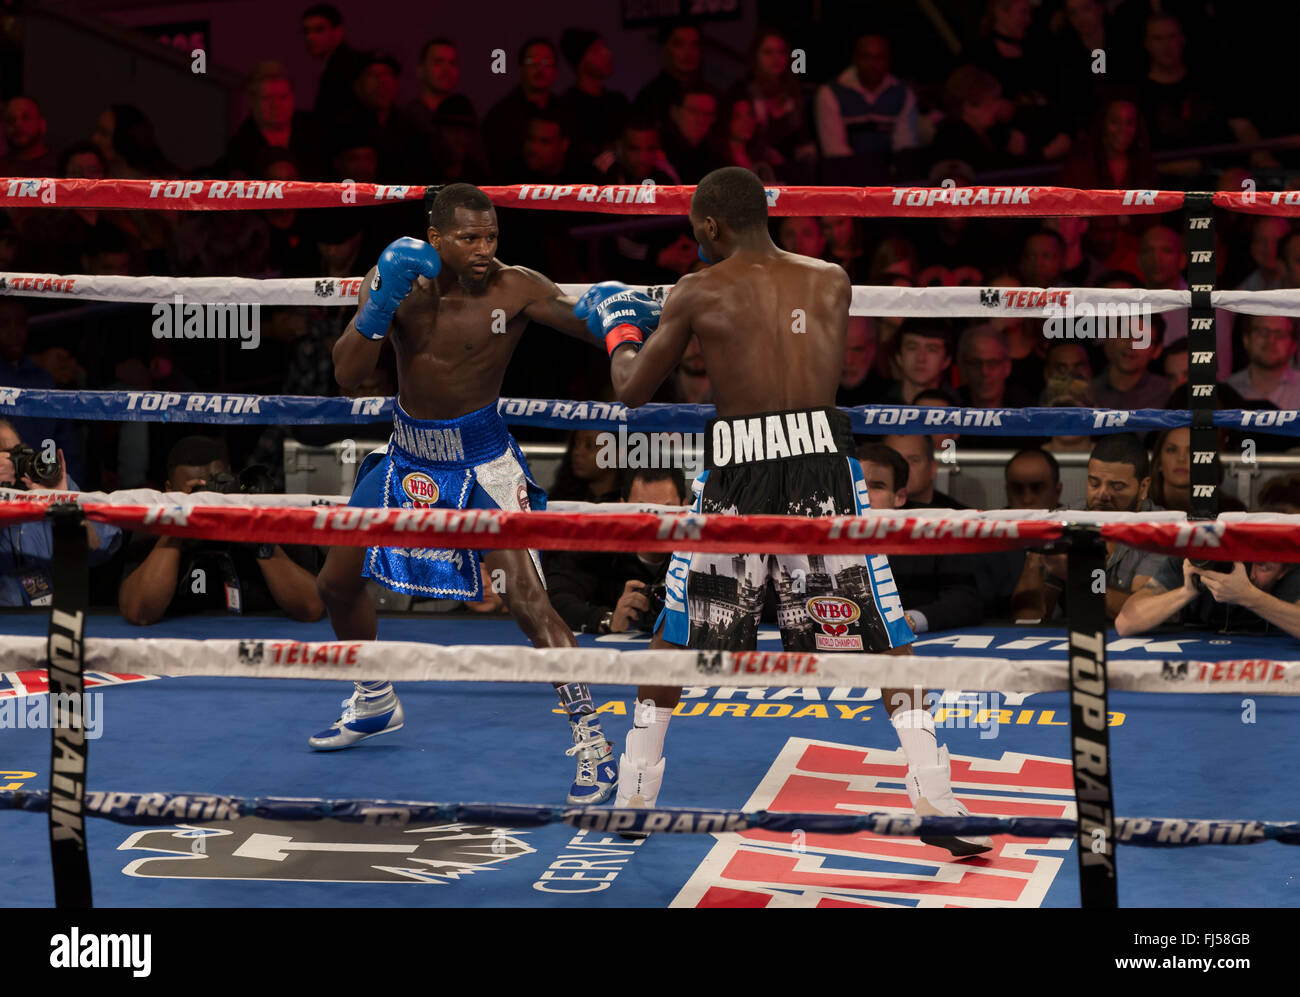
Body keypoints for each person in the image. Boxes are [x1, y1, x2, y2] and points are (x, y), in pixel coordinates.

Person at [582, 166, 990, 856]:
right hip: (825, 459)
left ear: (710, 224)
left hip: (739, 461)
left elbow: (630, 390)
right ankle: (932, 785)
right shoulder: (831, 277)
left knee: (679, 630)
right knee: (884, 631)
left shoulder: (696, 289)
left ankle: (635, 792)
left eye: (693, 230)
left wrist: (620, 326)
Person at [310, 183, 620, 806]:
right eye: (469, 238)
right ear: (436, 238)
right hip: (406, 455)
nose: (484, 250)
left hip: (481, 463)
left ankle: (594, 741)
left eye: (492, 237)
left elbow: (589, 329)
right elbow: (346, 377)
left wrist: (619, 317)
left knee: (528, 603)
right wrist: (377, 305)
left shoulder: (517, 287)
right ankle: (373, 695)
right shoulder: (399, 278)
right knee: (336, 581)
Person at [118, 436, 324, 624]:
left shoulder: (273, 519)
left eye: (215, 486)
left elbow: (311, 608)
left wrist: (256, 534)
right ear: (169, 490)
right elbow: (139, 612)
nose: (208, 499)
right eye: (196, 491)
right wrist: (177, 523)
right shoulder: (154, 525)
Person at [1012, 433, 1165, 621]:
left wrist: (1079, 573)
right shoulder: (1064, 519)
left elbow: (1145, 611)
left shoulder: (1162, 528)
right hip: (1076, 639)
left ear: (1143, 488)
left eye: (1116, 487)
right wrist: (1035, 560)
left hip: (1142, 642)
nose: (1102, 494)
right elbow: (1028, 619)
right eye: (1094, 483)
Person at [545, 468, 687, 634]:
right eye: (642, 511)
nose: (654, 523)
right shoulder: (597, 537)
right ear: (622, 507)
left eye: (666, 511)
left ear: (685, 508)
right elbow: (553, 597)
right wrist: (606, 619)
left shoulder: (703, 550)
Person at [860, 442, 982, 635]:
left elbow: (965, 601)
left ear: (899, 497)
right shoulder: (819, 530)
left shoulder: (935, 528)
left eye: (876, 486)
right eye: (856, 485)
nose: (862, 496)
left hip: (918, 650)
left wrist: (908, 621)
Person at [0, 420, 121, 607]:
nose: (13, 461)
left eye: (18, 451)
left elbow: (99, 551)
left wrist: (63, 501)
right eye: (5, 454)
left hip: (52, 618)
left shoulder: (48, 485)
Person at [1116, 531, 1300, 639]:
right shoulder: (1198, 559)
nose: (1248, 573)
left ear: (1284, 570)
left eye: (1263, 566)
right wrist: (1186, 592)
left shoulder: (1292, 572)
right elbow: (1125, 623)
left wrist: (1248, 596)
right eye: (1244, 562)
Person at [814, 33, 919, 182]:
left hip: (889, 179)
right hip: (845, 180)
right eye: (866, 57)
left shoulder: (902, 93)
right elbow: (835, 152)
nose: (873, 64)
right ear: (855, 59)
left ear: (889, 61)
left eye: (879, 58)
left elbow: (905, 148)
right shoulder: (831, 93)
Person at [1223, 316, 1300, 410]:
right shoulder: (1225, 392)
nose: (1271, 340)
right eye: (1262, 332)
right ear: (1246, 339)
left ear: (1293, 345)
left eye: (1280, 334)